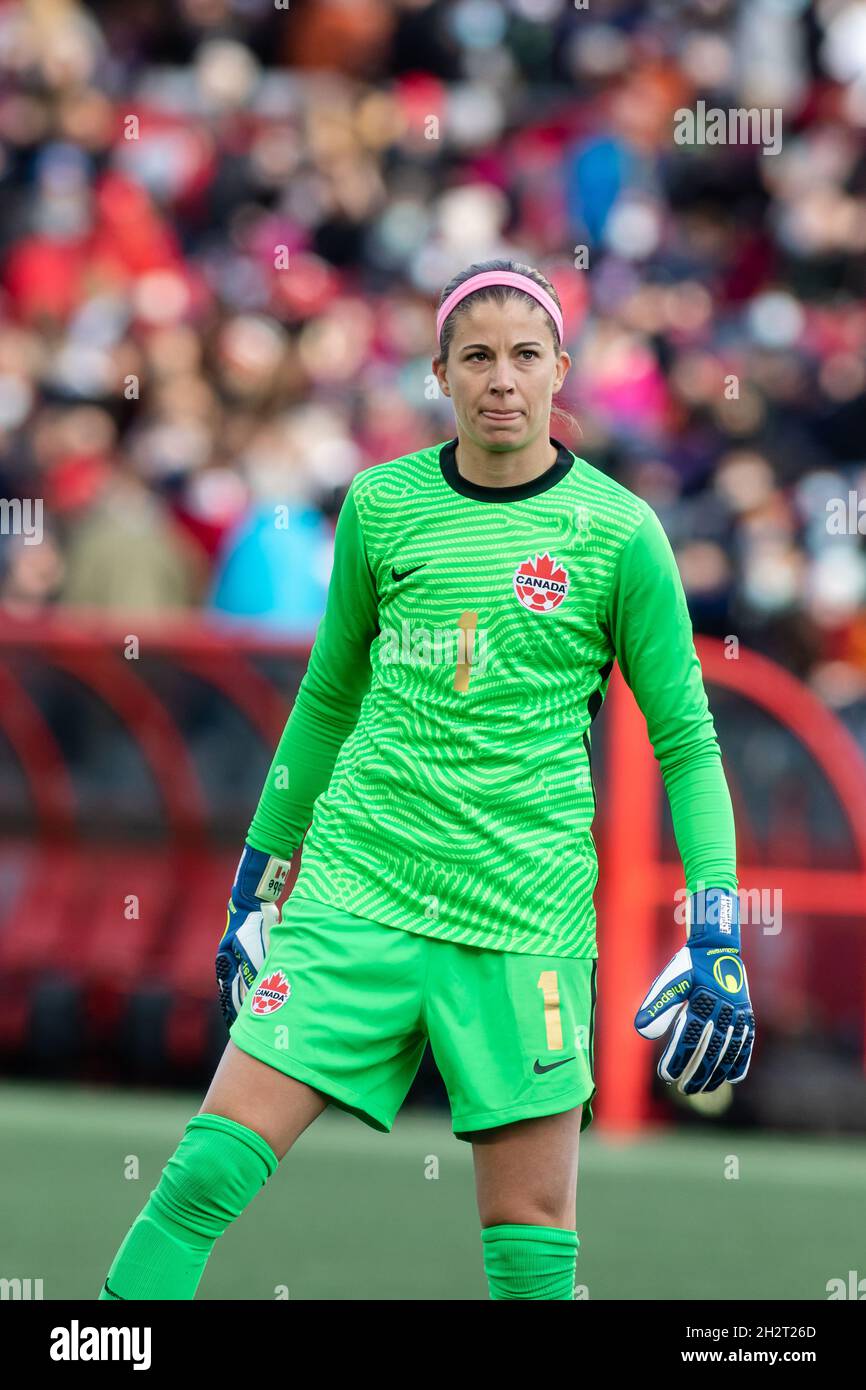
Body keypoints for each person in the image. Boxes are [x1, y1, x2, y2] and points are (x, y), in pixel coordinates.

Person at [98, 259, 755, 1302]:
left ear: (560, 372)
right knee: (202, 1172)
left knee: (531, 1248)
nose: (502, 378)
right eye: (478, 356)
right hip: (356, 890)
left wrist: (714, 925)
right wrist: (253, 885)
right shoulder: (379, 504)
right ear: (439, 373)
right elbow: (323, 702)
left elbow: (685, 741)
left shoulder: (618, 531)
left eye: (525, 355)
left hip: (522, 913)